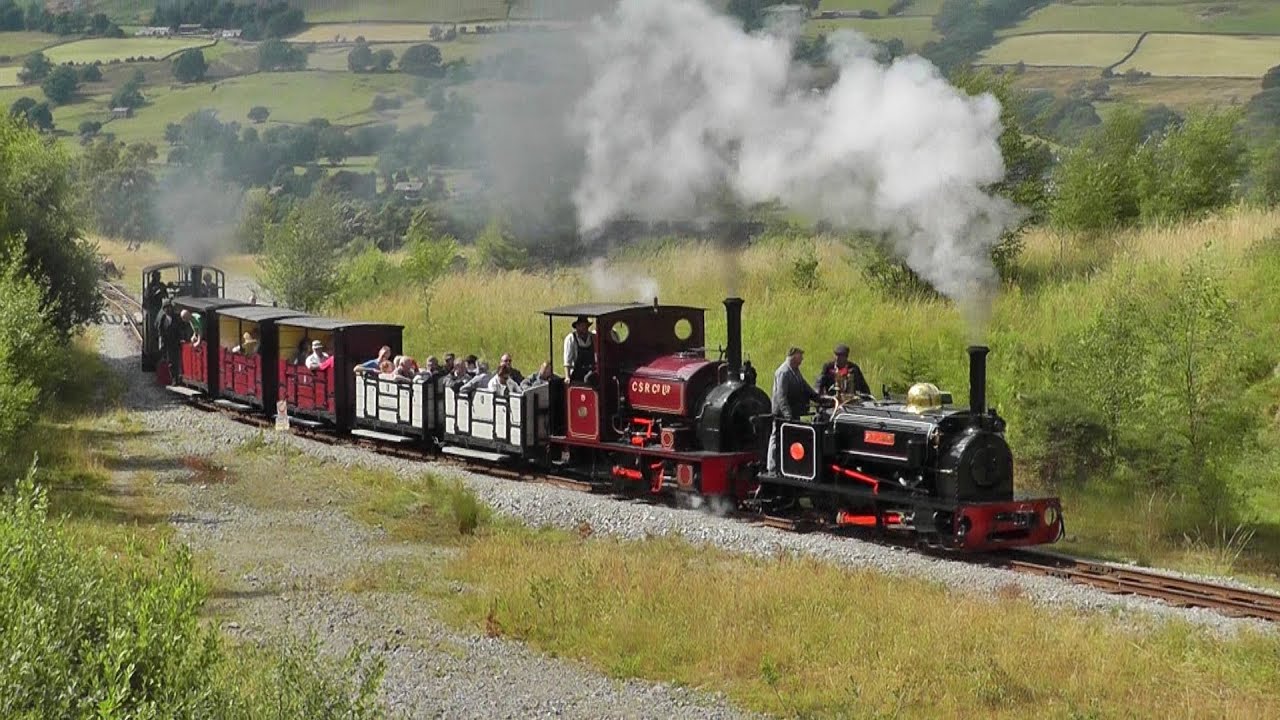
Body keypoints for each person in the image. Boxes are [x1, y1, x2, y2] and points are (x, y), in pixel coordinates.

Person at [767, 347, 822, 476]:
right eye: (800, 356)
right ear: (794, 356)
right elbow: (781, 396)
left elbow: (805, 387)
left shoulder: (795, 371)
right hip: (781, 413)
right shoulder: (783, 372)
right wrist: (787, 415)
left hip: (794, 411)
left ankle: (789, 465)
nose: (802, 359)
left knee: (791, 439)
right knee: (776, 437)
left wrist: (818, 398)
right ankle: (772, 466)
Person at [157, 300, 186, 380]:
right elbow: (160, 332)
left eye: (169, 307)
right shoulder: (162, 319)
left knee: (178, 361)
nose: (168, 310)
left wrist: (182, 338)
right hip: (168, 344)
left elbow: (182, 328)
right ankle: (173, 378)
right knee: (170, 362)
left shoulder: (177, 318)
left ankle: (179, 377)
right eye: (166, 308)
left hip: (177, 342)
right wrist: (161, 343)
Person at [562, 315, 596, 382]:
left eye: (585, 326)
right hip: (577, 374)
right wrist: (567, 377)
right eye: (581, 326)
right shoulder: (571, 339)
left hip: (591, 372)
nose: (584, 328)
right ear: (577, 326)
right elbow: (567, 361)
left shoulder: (592, 337)